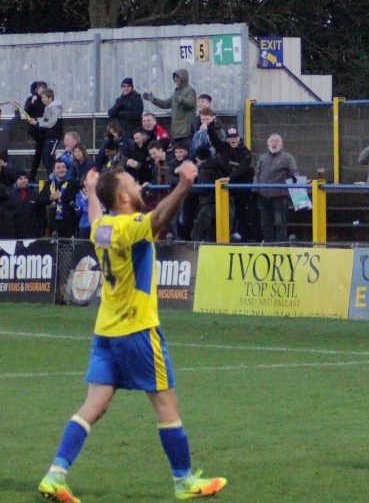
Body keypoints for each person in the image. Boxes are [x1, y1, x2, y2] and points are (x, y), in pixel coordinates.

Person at [36, 164, 226, 503]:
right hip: (137, 330)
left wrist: (92, 192)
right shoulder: (130, 226)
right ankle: (183, 480)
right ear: (124, 197)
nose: (139, 187)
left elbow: (96, 216)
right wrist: (184, 184)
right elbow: (159, 218)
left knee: (94, 405)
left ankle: (55, 474)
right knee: (166, 404)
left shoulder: (102, 229)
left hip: (106, 332)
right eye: (133, 184)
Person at [208, 126, 259, 242]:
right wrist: (210, 127)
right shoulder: (224, 148)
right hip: (228, 187)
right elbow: (215, 141)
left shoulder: (246, 152)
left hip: (241, 188)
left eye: (235, 137)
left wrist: (229, 178)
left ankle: (245, 238)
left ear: (238, 138)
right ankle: (226, 236)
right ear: (227, 139)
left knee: (242, 213)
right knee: (226, 212)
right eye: (230, 137)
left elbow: (242, 169)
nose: (233, 139)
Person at [254, 134, 298, 242]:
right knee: (265, 223)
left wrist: (298, 191)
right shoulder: (262, 157)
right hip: (264, 196)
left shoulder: (287, 158)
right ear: (268, 143)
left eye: (277, 141)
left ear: (281, 144)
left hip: (280, 197)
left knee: (280, 223)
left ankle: (281, 245)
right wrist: (255, 189)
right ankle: (269, 245)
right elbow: (257, 174)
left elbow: (294, 174)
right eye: (272, 141)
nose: (274, 143)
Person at [143, 69, 197, 144]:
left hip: (186, 131)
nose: (175, 79)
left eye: (177, 77)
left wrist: (182, 100)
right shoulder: (176, 92)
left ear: (183, 77)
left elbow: (191, 103)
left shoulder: (190, 90)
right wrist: (153, 99)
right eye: (174, 77)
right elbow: (165, 104)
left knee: (186, 150)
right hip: (176, 131)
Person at [39, 160, 78, 238]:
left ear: (66, 169)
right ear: (53, 170)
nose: (61, 169)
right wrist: (50, 198)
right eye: (58, 167)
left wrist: (62, 196)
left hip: (69, 224)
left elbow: (76, 199)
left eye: (63, 167)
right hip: (52, 224)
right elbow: (39, 200)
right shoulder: (49, 184)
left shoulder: (73, 183)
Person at [36, 88, 65, 179]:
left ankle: (53, 176)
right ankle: (51, 176)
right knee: (46, 157)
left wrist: (38, 123)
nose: (42, 100)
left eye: (44, 98)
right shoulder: (48, 108)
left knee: (48, 157)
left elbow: (51, 122)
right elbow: (45, 119)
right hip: (49, 137)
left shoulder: (55, 108)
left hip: (54, 136)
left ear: (50, 98)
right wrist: (36, 120)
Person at [23, 81, 48, 179]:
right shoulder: (31, 99)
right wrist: (32, 102)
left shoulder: (46, 100)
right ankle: (34, 174)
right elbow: (26, 112)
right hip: (35, 129)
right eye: (41, 89)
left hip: (44, 128)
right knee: (41, 150)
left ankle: (33, 174)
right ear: (37, 89)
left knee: (41, 151)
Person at [10, 172, 46, 238]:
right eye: (20, 179)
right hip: (14, 233)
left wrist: (40, 231)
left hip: (32, 233)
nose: (23, 180)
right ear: (16, 181)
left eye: (25, 178)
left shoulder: (35, 195)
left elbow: (42, 214)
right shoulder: (10, 195)